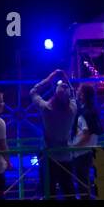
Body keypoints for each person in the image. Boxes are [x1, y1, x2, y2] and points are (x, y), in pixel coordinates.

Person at [30, 69, 77, 198]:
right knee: (68, 190)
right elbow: (73, 95)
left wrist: (48, 78)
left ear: (55, 95)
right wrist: (66, 79)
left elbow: (33, 92)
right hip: (66, 154)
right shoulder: (72, 110)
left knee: (49, 190)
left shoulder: (46, 108)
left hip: (48, 155)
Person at [70, 82, 103, 197]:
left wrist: (72, 147)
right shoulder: (93, 111)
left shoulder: (85, 113)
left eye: (79, 90)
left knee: (82, 182)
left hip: (82, 152)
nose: (77, 92)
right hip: (90, 150)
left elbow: (86, 134)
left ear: (83, 95)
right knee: (86, 181)